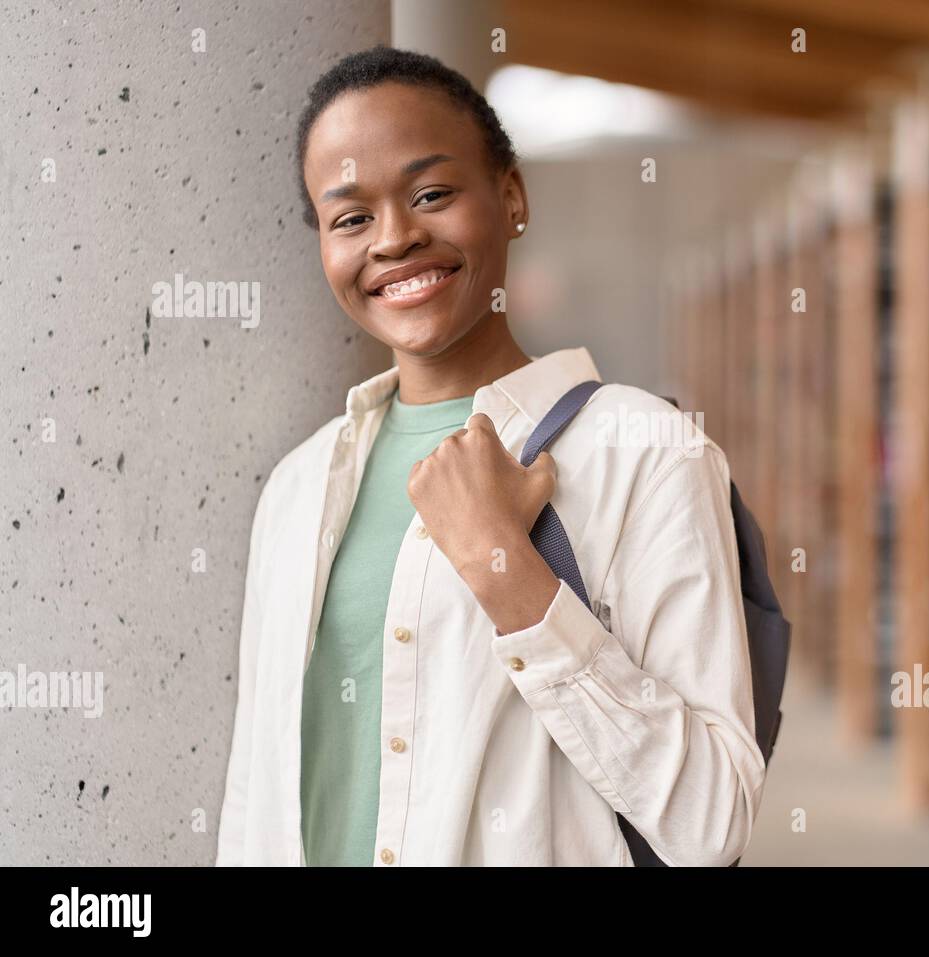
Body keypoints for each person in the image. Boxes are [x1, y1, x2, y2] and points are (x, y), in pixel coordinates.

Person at [214, 45, 764, 866]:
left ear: (511, 196)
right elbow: (256, 797)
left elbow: (712, 822)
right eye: (351, 217)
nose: (395, 238)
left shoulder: (646, 455)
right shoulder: (299, 486)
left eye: (431, 193)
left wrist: (510, 574)